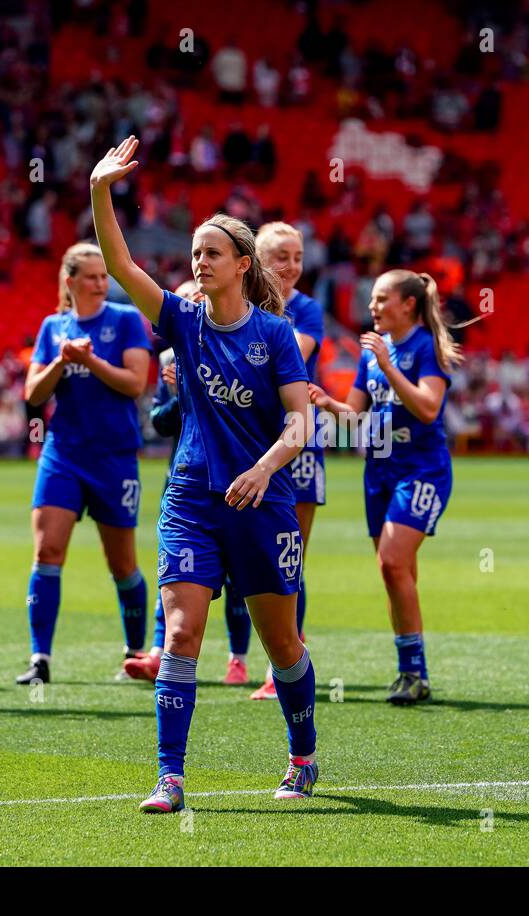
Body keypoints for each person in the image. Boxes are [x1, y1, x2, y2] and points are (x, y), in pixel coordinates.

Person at [90, 137, 318, 811]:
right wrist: (100, 190)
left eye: (212, 252)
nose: (199, 261)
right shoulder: (182, 321)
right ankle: (170, 777)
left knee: (282, 642)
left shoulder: (274, 335)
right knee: (182, 632)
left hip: (264, 501)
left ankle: (302, 756)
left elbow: (302, 423)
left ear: (242, 265)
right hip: (191, 498)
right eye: (195, 252)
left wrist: (266, 465)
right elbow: (120, 263)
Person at [309, 269, 460, 705]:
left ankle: (414, 672)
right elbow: (355, 415)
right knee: (395, 571)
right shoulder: (370, 353)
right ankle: (412, 671)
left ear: (408, 305)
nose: (371, 307)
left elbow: (429, 408)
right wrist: (325, 401)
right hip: (378, 470)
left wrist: (390, 366)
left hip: (421, 469)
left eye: (380, 299)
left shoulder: (422, 347)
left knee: (393, 563)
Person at [15, 243, 152, 685]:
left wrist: (90, 359)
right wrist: (61, 359)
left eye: (103, 275)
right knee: (47, 551)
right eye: (91, 276)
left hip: (114, 456)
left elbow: (134, 384)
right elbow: (33, 395)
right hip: (63, 455)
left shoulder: (126, 320)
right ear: (70, 282)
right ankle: (40, 659)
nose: (100, 283)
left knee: (122, 563)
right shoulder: (53, 327)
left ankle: (134, 654)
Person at [124, 284, 255, 686]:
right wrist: (181, 394)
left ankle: (238, 658)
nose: (194, 304)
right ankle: (162, 651)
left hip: (234, 475)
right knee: (175, 570)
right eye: (187, 300)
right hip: (184, 477)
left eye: (197, 298)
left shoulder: (241, 345)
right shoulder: (171, 355)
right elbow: (161, 423)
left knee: (237, 578)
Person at [248, 221, 326, 700]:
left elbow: (291, 356)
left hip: (296, 442)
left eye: (297, 256)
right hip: (247, 442)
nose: (292, 266)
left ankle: (285, 665)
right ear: (255, 260)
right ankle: (253, 656)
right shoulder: (238, 304)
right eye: (281, 257)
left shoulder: (306, 309)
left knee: (289, 556)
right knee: (252, 556)